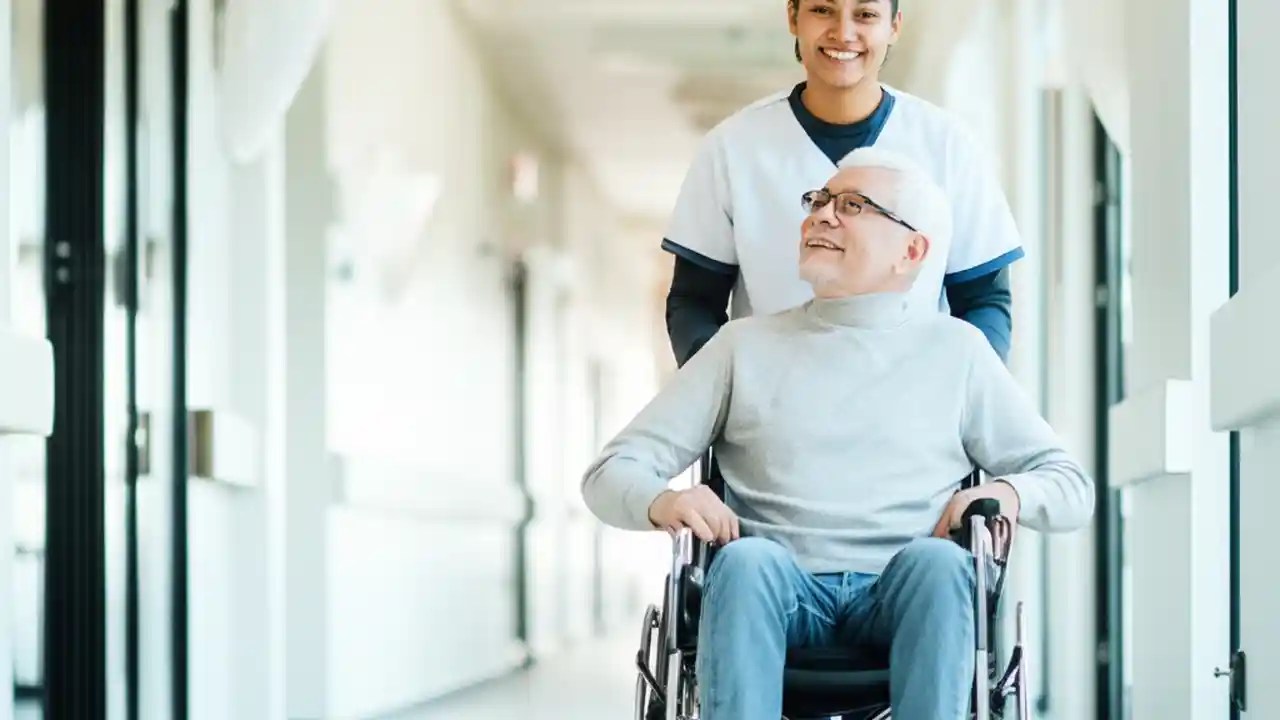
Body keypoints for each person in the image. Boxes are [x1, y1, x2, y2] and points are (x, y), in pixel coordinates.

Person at [582, 151, 1093, 719]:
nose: (822, 216)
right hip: (775, 591)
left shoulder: (958, 352)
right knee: (746, 562)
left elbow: (1071, 486)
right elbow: (610, 473)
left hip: (904, 594)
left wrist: (1010, 495)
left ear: (912, 251)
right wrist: (667, 499)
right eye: (819, 201)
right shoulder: (739, 347)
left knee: (942, 564)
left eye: (853, 206)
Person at [665, 0, 1022, 368]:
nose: (844, 32)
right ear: (792, 16)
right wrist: (724, 396)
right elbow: (694, 302)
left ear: (894, 26)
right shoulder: (732, 147)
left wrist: (957, 399)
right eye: (823, 10)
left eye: (865, 15)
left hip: (910, 407)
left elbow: (985, 301)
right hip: (767, 409)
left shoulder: (948, 145)